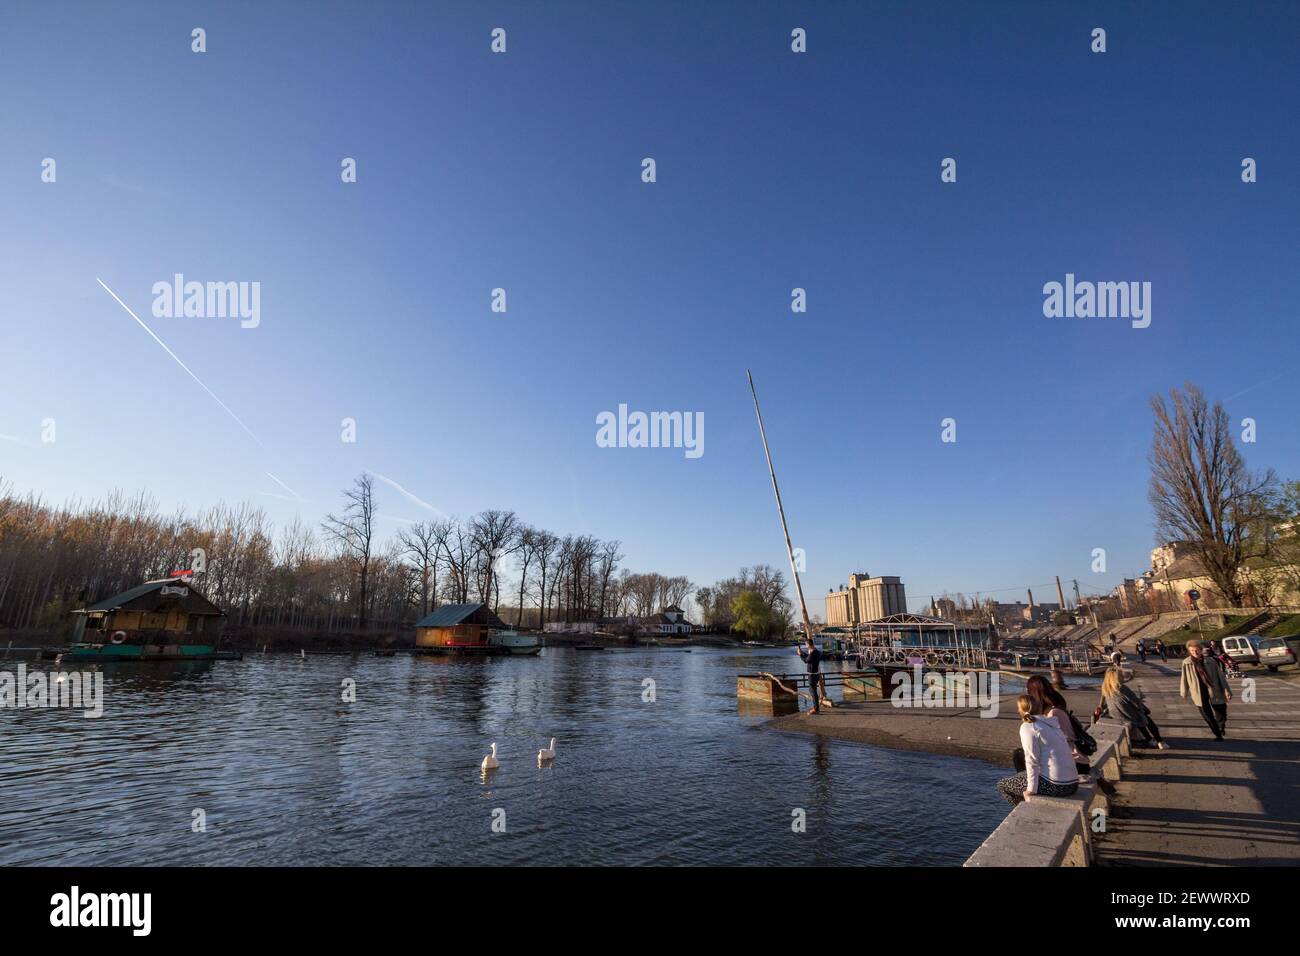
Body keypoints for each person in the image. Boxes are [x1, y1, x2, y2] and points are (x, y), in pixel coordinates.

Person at [995, 695, 1079, 806]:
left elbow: (1031, 760)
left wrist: (1031, 790)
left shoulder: (1028, 727)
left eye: (1018, 708)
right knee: (1021, 775)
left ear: (1023, 709)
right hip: (1073, 785)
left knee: (1002, 785)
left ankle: (1025, 813)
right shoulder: (1051, 725)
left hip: (1057, 786)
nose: (1017, 710)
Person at [1025, 674, 1090, 775]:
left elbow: (1051, 742)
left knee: (1023, 756)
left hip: (1074, 763)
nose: (1028, 694)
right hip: (1073, 760)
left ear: (1035, 692)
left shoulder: (1053, 713)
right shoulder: (1053, 709)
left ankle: (1034, 785)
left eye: (1028, 691)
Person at [1098, 666, 1167, 749]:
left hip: (1115, 715)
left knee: (1139, 717)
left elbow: (1101, 705)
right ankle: (1160, 741)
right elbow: (1136, 702)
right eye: (1121, 676)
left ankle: (1149, 739)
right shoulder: (1122, 688)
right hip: (1126, 716)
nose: (1123, 677)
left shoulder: (1105, 688)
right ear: (1116, 678)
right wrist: (1144, 709)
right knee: (1145, 718)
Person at [1181, 638, 1231, 740]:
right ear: (1189, 651)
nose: (1194, 652)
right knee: (1207, 714)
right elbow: (1184, 677)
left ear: (1200, 649)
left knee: (1221, 711)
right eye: (1191, 651)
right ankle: (1217, 734)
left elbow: (1220, 676)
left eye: (1196, 650)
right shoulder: (1186, 662)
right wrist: (1184, 691)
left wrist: (1226, 690)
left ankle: (1221, 727)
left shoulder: (1211, 661)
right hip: (1198, 691)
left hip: (1214, 689)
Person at [797, 634, 824, 715]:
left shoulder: (813, 653)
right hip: (816, 674)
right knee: (813, 691)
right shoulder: (816, 651)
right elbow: (808, 658)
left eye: (806, 644)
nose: (805, 646)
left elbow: (806, 660)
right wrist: (802, 653)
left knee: (813, 692)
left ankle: (816, 709)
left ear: (808, 644)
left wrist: (800, 655)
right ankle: (816, 707)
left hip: (812, 675)